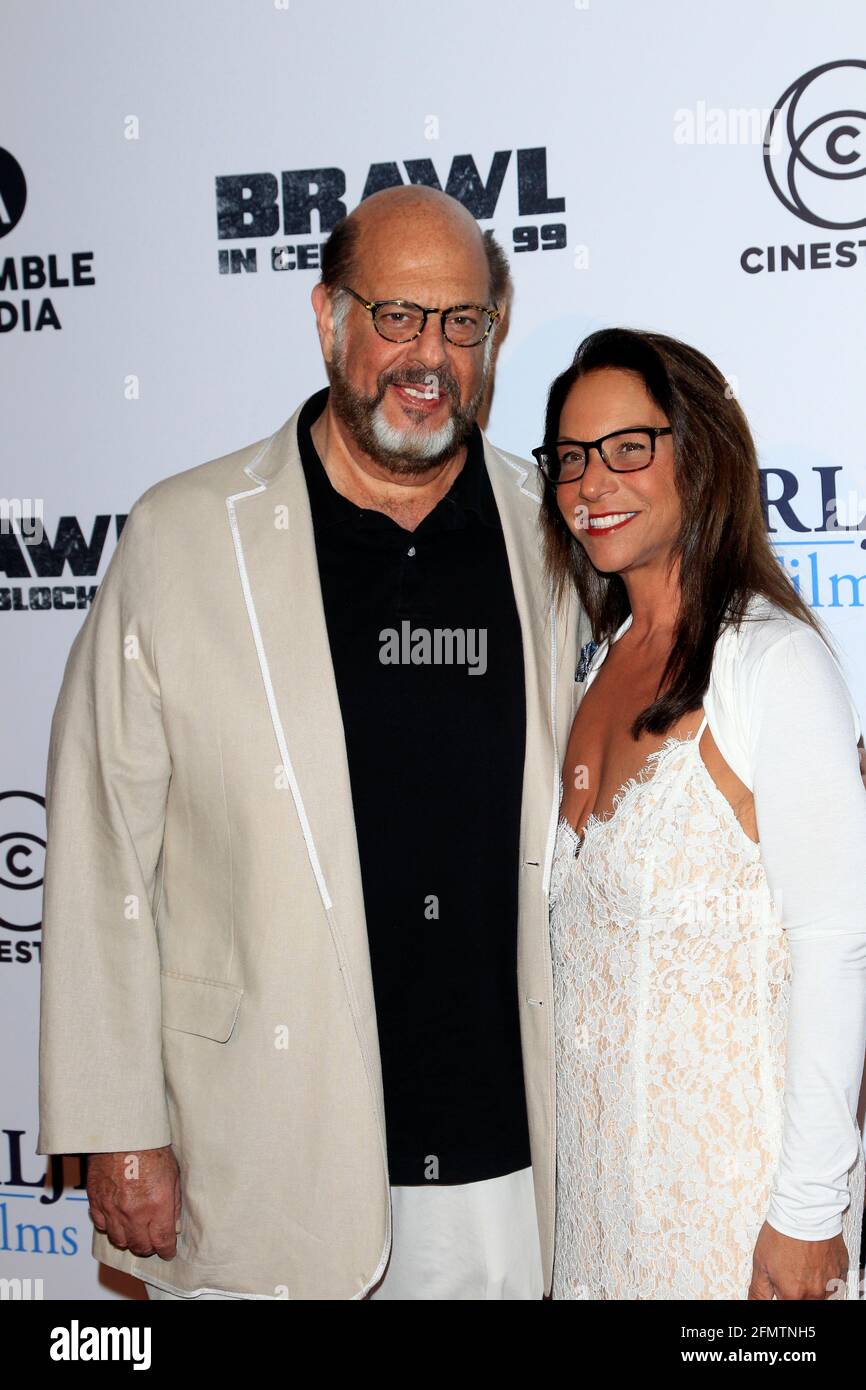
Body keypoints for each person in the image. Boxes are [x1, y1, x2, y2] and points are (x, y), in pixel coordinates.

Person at [36, 185, 590, 1300]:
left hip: (512, 1150)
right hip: (264, 1151)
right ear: (327, 316)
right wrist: (116, 1124)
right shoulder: (183, 533)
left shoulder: (549, 530)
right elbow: (103, 846)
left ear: (493, 335)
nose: (427, 355)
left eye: (460, 323)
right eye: (394, 316)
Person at [534, 326, 866, 1300]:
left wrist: (806, 1210)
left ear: (699, 453)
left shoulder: (771, 663)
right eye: (568, 458)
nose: (591, 483)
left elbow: (835, 942)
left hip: (737, 1219)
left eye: (627, 447)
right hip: (597, 1223)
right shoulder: (588, 667)